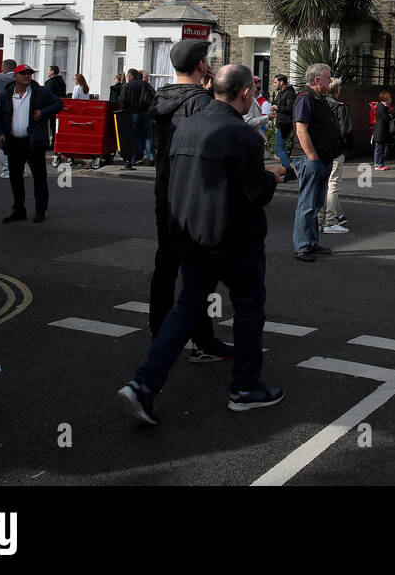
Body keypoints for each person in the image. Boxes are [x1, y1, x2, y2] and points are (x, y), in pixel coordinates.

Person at [118, 64, 287, 425]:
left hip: (191, 236)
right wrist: (272, 177)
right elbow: (255, 192)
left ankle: (144, 383)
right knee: (248, 308)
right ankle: (245, 388)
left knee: (188, 307)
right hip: (235, 239)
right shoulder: (241, 135)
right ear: (244, 93)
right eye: (251, 92)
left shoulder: (186, 126)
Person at [147, 38, 233, 364]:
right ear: (201, 66)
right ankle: (202, 341)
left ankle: (160, 335)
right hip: (193, 198)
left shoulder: (161, 98)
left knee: (165, 267)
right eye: (207, 60)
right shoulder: (199, 103)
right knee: (199, 274)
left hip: (164, 194)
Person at [0, 65, 62, 223]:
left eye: (29, 73)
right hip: (14, 141)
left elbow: (58, 103)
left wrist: (43, 113)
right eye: (23, 74)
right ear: (15, 77)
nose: (27, 76)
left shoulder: (40, 92)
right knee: (15, 178)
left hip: (34, 142)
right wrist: (0, 133)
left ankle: (40, 211)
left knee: (39, 178)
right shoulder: (6, 94)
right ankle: (18, 210)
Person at [291, 63, 341, 263]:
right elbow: (301, 130)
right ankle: (302, 246)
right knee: (307, 204)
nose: (330, 80)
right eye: (328, 77)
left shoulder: (319, 99)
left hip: (323, 159)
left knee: (316, 204)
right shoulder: (305, 98)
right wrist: (312, 156)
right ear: (317, 80)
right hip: (310, 159)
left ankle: (311, 243)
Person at [323, 77, 353, 234]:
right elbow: (346, 131)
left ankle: (321, 218)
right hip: (336, 149)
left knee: (324, 184)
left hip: (322, 150)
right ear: (337, 90)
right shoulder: (340, 107)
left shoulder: (320, 104)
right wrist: (347, 146)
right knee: (333, 184)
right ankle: (330, 220)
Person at [119, 68, 156, 167]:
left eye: (127, 76)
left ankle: (136, 158)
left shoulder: (127, 86)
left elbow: (122, 101)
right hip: (145, 113)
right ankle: (151, 157)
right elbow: (152, 96)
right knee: (147, 136)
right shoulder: (144, 84)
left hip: (133, 113)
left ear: (130, 76)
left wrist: (124, 111)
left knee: (135, 136)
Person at [271, 75, 297, 182]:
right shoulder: (281, 93)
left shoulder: (289, 93)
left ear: (282, 82)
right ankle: (288, 170)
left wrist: (277, 108)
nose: (274, 84)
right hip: (281, 122)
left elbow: (290, 108)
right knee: (279, 147)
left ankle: (288, 170)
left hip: (284, 125)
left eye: (275, 82)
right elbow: (279, 104)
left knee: (278, 148)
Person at [45, 66, 67, 147]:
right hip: (59, 105)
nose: (47, 72)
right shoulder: (62, 82)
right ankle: (56, 141)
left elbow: (47, 95)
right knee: (56, 126)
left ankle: (51, 143)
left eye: (48, 70)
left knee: (50, 126)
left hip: (51, 106)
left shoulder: (50, 83)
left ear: (52, 72)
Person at [372, 90, 395, 170]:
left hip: (382, 132)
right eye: (389, 98)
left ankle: (381, 163)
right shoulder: (381, 106)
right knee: (379, 148)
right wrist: (391, 115)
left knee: (381, 148)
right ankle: (378, 164)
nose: (391, 100)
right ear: (385, 99)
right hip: (380, 131)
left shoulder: (385, 106)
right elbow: (385, 117)